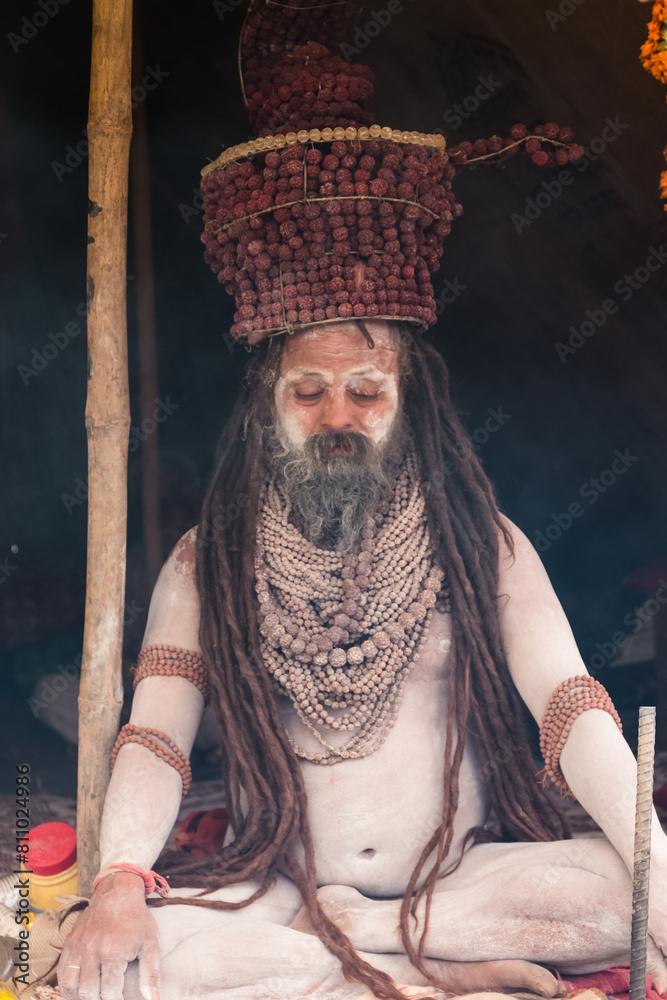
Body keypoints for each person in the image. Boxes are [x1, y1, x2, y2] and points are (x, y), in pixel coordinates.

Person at [57, 318, 667, 1000]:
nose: (336, 418)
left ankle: (360, 937)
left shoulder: (480, 544)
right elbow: (156, 739)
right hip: (276, 887)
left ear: (409, 404)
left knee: (623, 897)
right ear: (266, 405)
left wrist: (660, 874)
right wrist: (119, 881)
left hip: (454, 881)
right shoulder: (209, 560)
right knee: (107, 970)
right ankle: (422, 969)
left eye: (366, 393)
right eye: (308, 392)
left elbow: (571, 706)